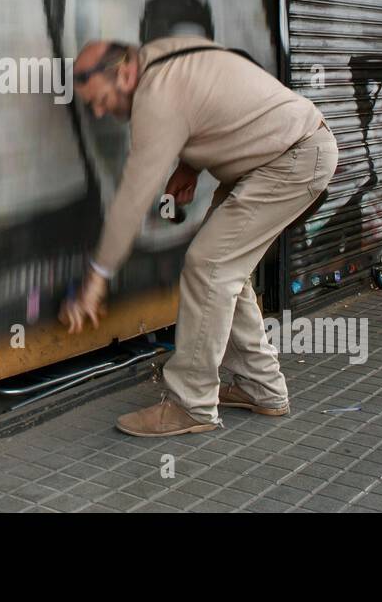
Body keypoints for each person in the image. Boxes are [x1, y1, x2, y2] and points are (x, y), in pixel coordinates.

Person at [60, 35, 338, 437]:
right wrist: (189, 166)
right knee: (224, 270)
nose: (100, 112)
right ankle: (262, 388)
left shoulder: (155, 96)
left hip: (291, 158)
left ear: (123, 73)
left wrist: (96, 279)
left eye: (99, 100)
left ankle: (191, 405)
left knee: (208, 266)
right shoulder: (160, 56)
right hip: (277, 156)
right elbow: (209, 100)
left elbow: (131, 200)